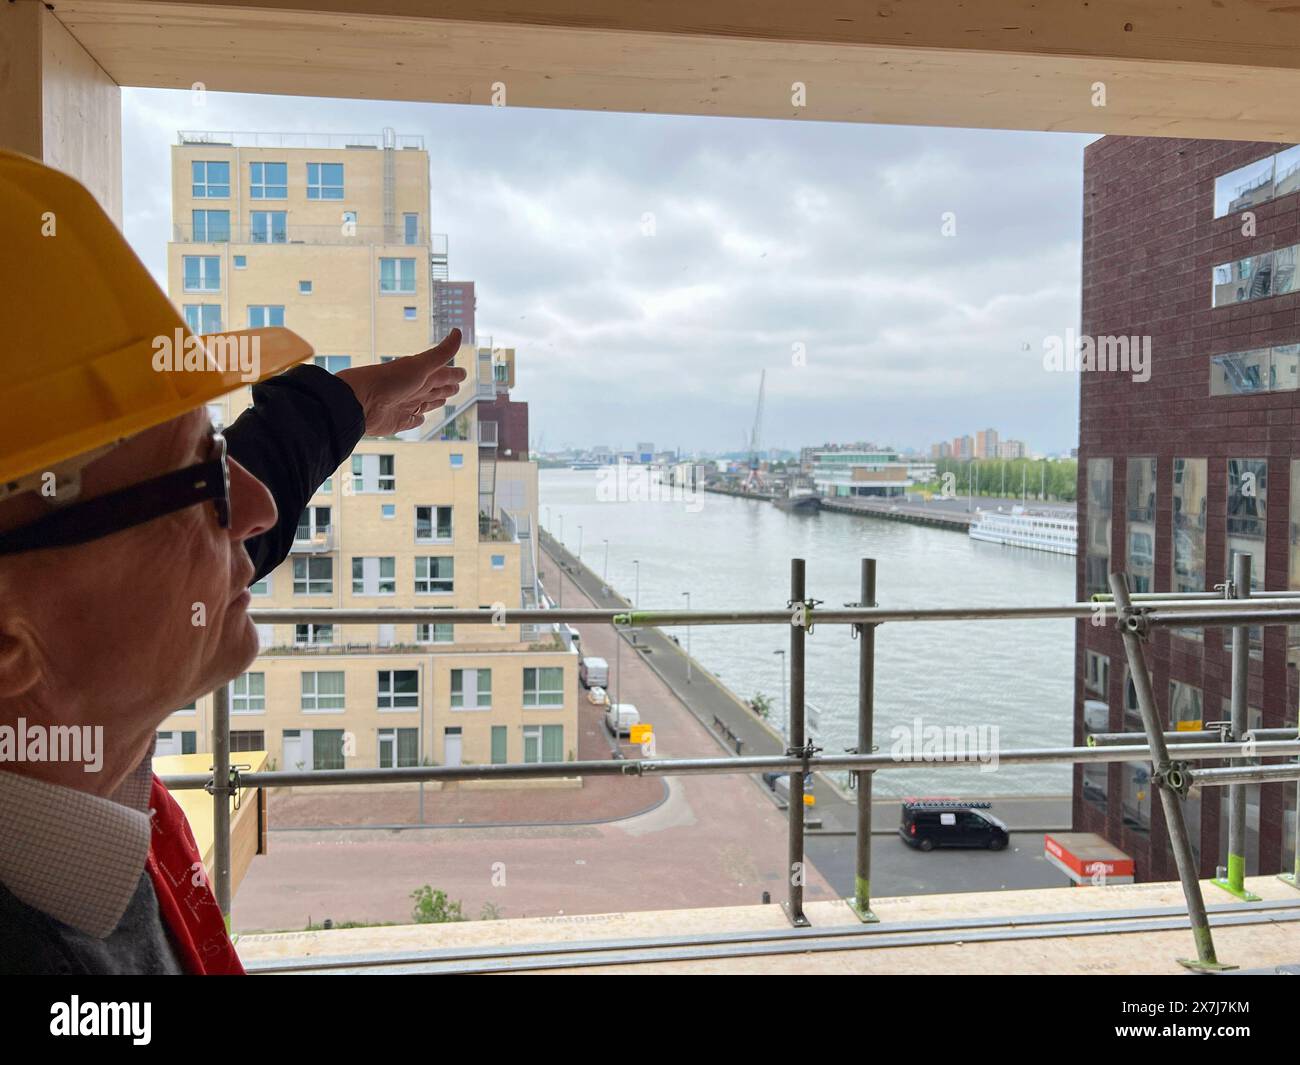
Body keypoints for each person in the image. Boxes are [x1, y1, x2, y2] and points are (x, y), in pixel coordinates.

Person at [0, 148, 464, 973]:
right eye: (203, 478)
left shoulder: (68, 784)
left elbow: (196, 536)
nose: (257, 507)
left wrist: (349, 404)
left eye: (219, 450)